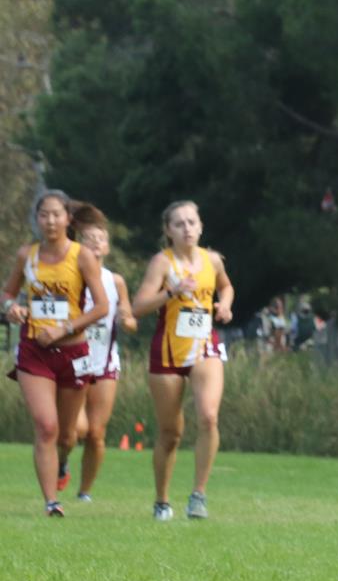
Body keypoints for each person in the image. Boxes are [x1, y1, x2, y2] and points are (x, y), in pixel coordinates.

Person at [3, 190, 110, 516]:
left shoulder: (81, 256)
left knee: (66, 435)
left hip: (73, 353)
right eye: (44, 215)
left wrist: (64, 328)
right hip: (34, 352)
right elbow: (8, 292)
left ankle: (63, 463)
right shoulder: (27, 255)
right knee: (46, 427)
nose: (50, 221)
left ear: (68, 219)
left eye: (56, 214)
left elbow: (102, 307)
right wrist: (11, 307)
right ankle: (52, 502)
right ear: (37, 220)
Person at [131, 200, 232, 520]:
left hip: (205, 346)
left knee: (209, 417)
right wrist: (171, 292)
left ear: (201, 226)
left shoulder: (212, 260)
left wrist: (225, 305)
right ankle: (162, 500)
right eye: (179, 223)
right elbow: (139, 306)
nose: (187, 228)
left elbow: (226, 287)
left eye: (192, 222)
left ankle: (198, 495)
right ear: (168, 231)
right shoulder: (162, 263)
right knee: (170, 433)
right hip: (168, 350)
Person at [68, 203, 137, 504]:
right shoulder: (69, 276)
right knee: (73, 431)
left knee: (96, 432)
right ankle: (61, 460)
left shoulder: (116, 281)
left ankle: (84, 491)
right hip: (72, 361)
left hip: (105, 362)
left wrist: (127, 317)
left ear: (107, 247)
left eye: (101, 238)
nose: (96, 242)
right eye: (89, 238)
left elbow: (130, 318)